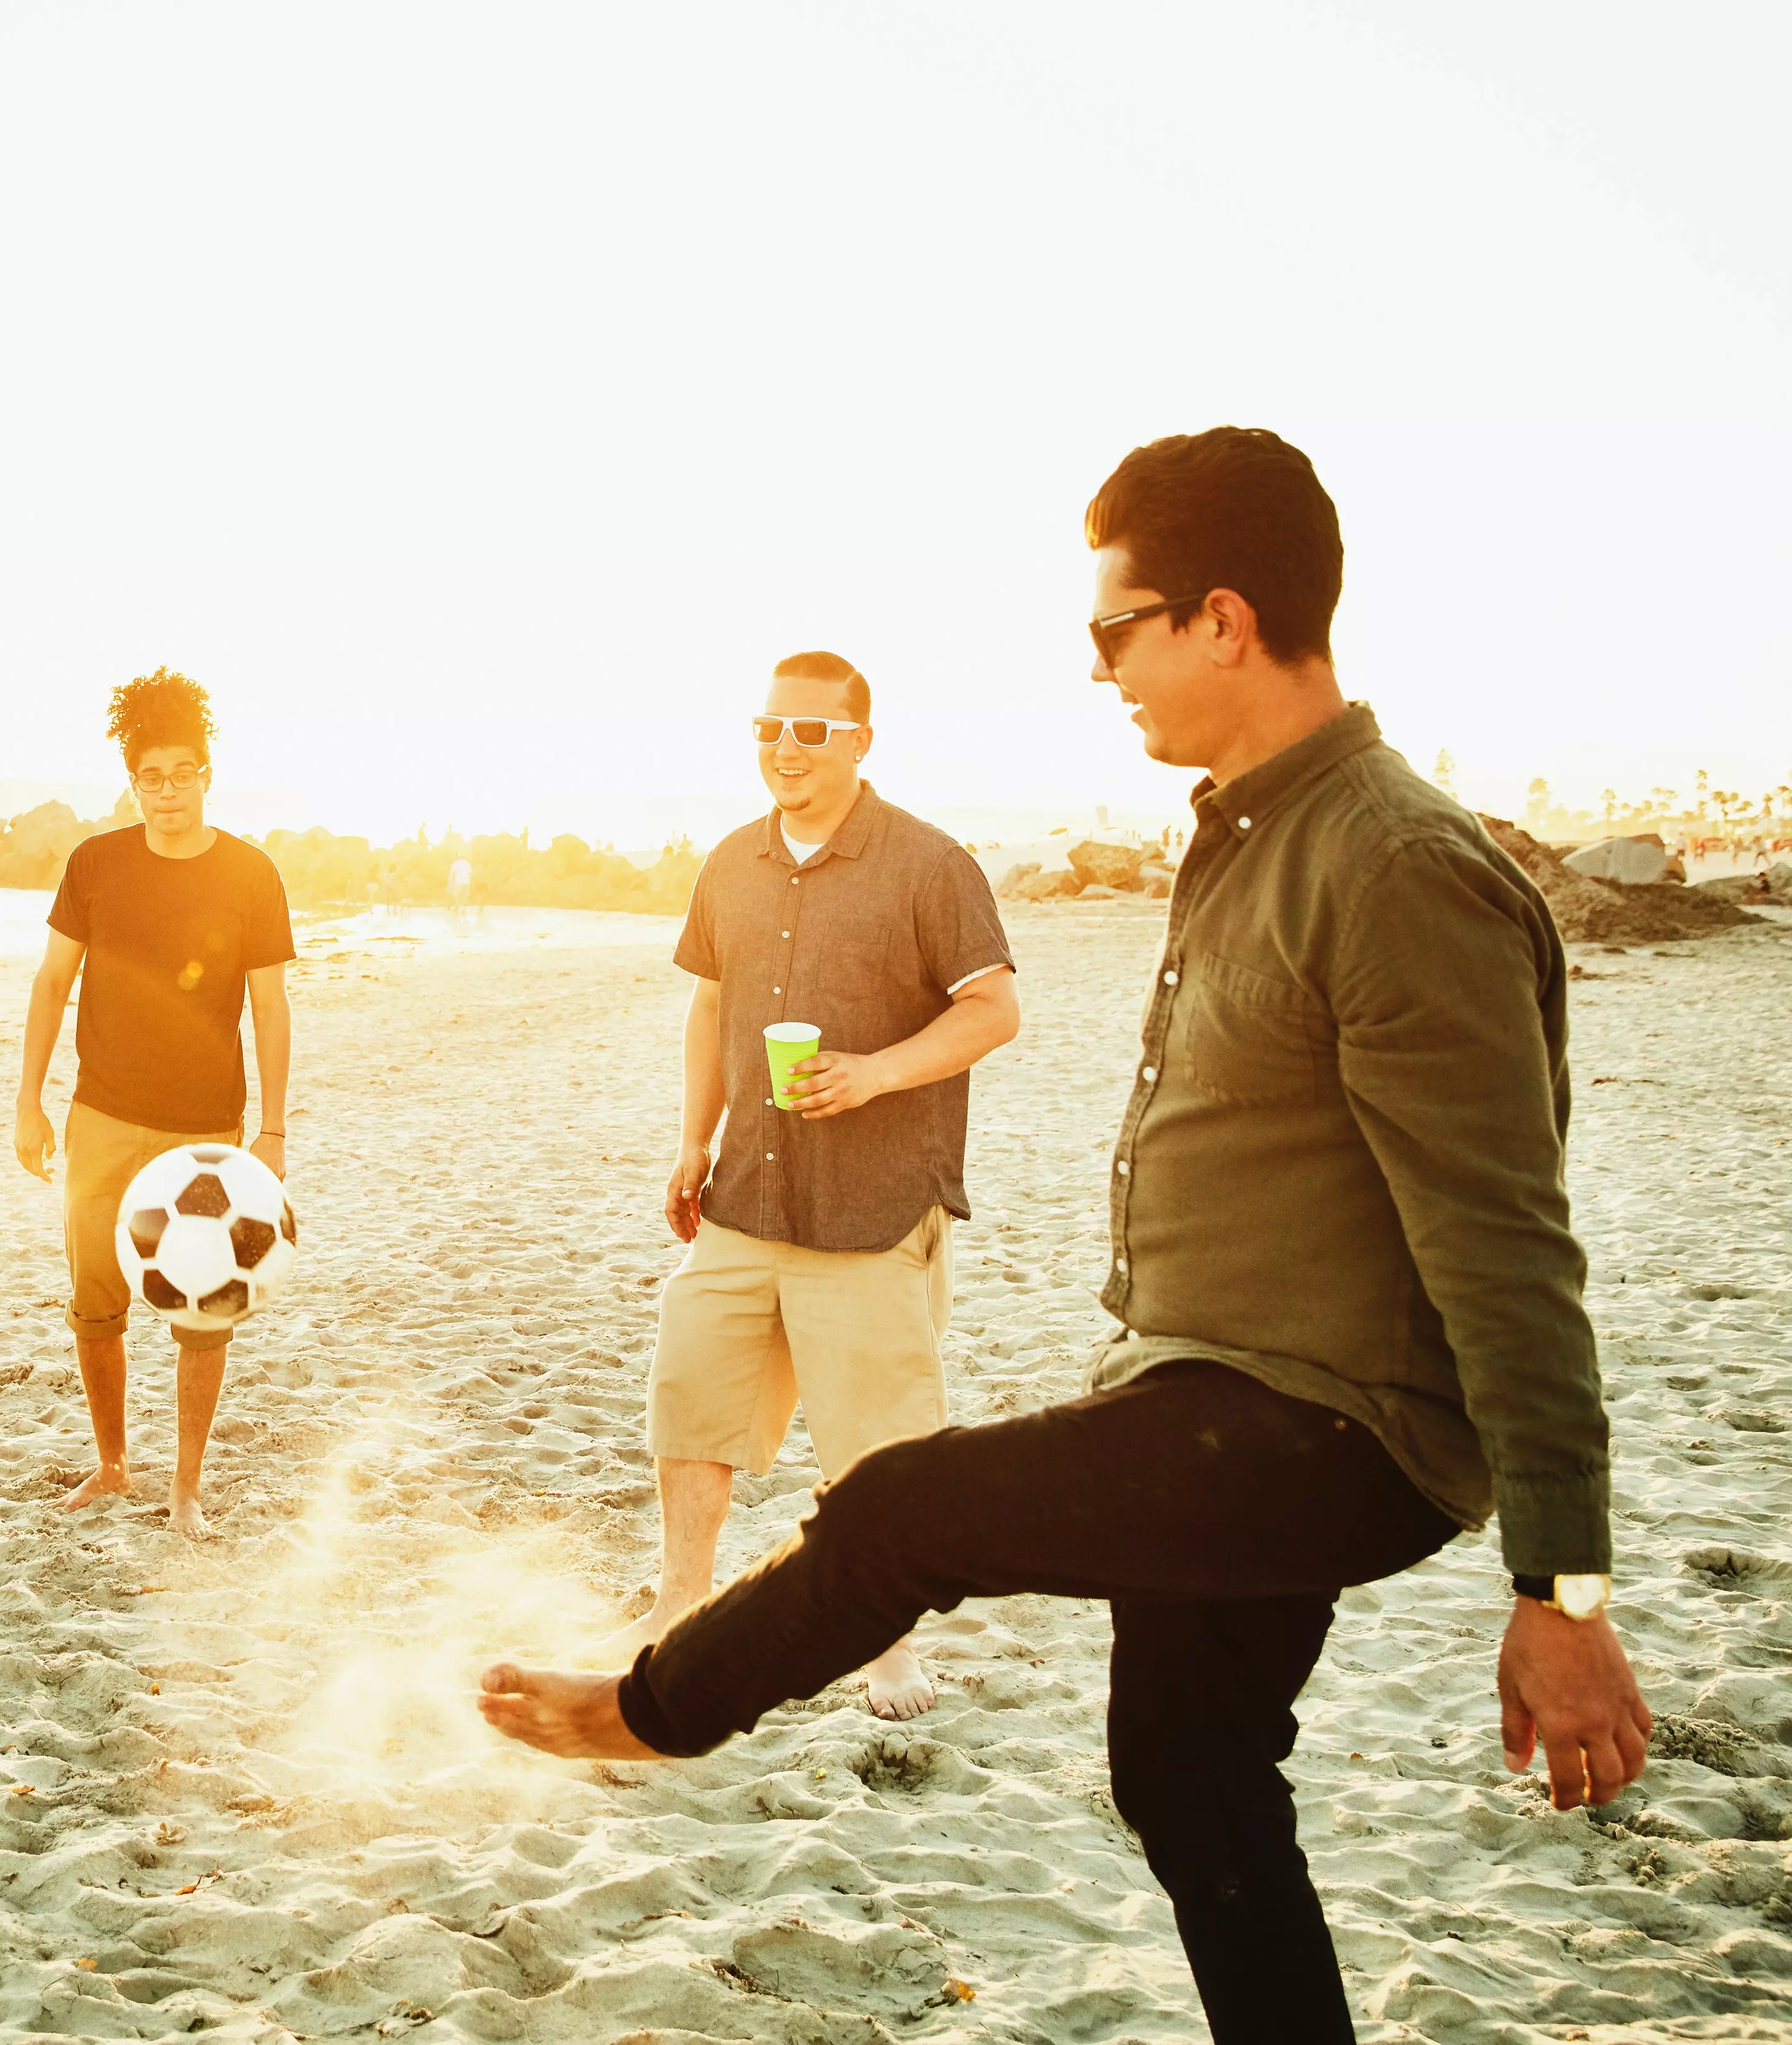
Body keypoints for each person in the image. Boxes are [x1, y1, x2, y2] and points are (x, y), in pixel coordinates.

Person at [482, 427, 1651, 2045]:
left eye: (1117, 627)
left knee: (901, 1506)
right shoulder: (1246, 834)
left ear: (1221, 619)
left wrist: (1564, 1593)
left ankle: (654, 1704)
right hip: (1211, 1395)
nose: (1096, 665)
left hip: (1316, 1426)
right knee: (1183, 1772)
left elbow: (1508, 1245)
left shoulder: (1391, 868)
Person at [628, 650, 1021, 1722]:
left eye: (811, 731)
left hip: (874, 1200)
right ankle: (681, 1600)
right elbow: (709, 1010)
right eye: (769, 729)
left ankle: (884, 1646)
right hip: (745, 1189)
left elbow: (994, 1008)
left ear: (860, 741)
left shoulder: (931, 864)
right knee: (692, 1400)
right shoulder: (730, 863)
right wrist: (691, 1142)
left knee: (875, 1443)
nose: (786, 749)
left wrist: (876, 1072)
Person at [13, 667, 295, 1537]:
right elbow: (53, 981)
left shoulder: (251, 872)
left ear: (207, 772)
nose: (167, 790)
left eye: (182, 772)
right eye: (151, 776)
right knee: (95, 1299)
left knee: (203, 1311)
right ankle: (111, 1464)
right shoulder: (95, 862)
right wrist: (30, 1099)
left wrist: (273, 1128)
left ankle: (187, 1488)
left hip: (206, 1132)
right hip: (101, 1114)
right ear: (133, 779)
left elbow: (271, 1003)